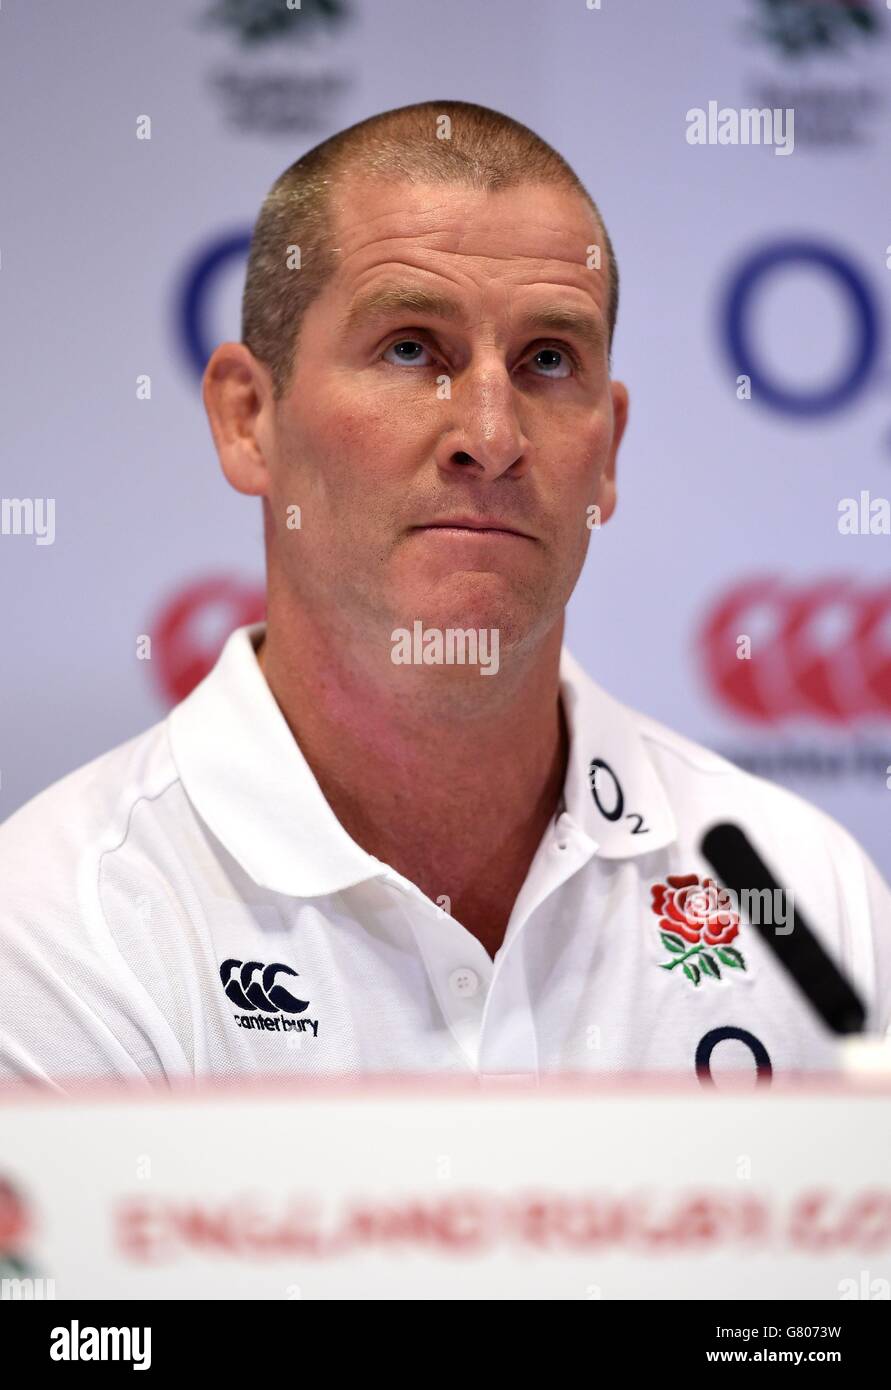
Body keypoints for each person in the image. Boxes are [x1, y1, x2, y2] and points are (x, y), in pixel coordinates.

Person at [1, 100, 889, 1093]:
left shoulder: (800, 893)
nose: (492, 432)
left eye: (548, 361)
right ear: (250, 419)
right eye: (412, 348)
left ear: (609, 451)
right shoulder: (60, 924)